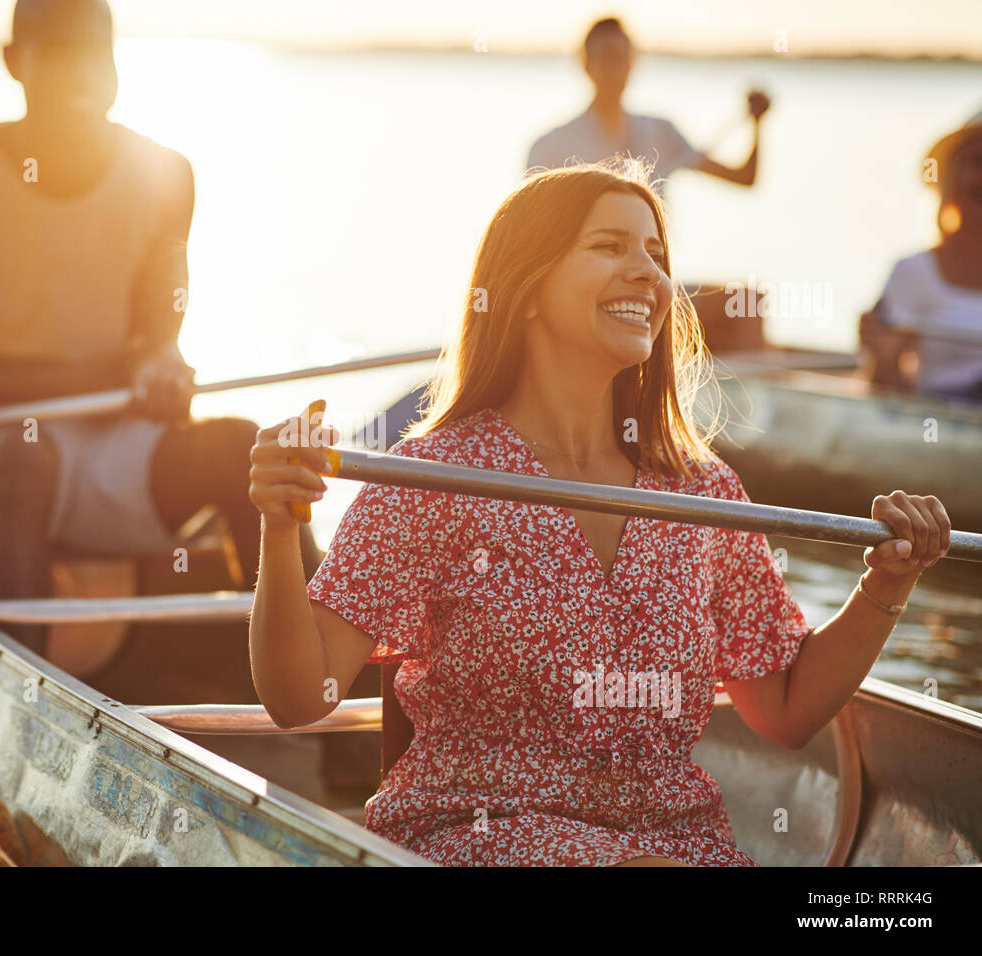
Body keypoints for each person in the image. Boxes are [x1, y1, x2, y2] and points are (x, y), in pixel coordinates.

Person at [248, 161, 952, 867]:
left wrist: (885, 585)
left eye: (655, 254)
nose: (648, 273)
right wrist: (281, 527)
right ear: (526, 287)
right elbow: (301, 696)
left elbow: (789, 708)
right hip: (477, 837)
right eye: (610, 246)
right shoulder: (432, 476)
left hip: (677, 849)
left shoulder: (703, 493)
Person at [0, 0, 321, 656]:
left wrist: (160, 362)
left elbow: (155, 333)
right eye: (58, 53)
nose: (82, 75)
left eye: (96, 55)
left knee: (239, 449)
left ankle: (319, 694)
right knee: (21, 458)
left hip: (103, 439)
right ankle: (23, 708)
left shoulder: (165, 175)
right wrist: (67, 379)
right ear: (14, 63)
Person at [526, 18, 768, 197]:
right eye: (606, 58)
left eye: (621, 58)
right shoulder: (549, 148)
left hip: (650, 266)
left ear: (633, 64)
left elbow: (745, 178)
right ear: (586, 65)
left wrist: (758, 123)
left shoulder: (662, 133)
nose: (615, 70)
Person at [859, 109, 982, 401]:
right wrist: (883, 357)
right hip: (938, 427)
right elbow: (883, 394)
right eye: (978, 162)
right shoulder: (914, 272)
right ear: (952, 178)